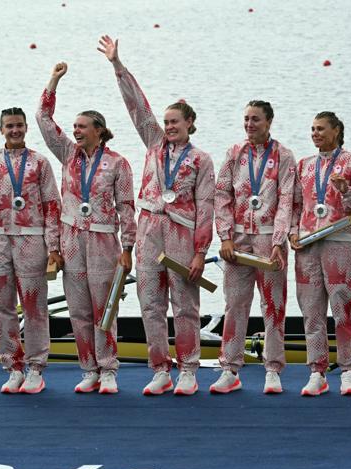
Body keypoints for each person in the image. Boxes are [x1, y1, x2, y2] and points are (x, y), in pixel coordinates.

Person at [100, 35, 215, 396]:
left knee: (184, 304)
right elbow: (138, 107)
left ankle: (189, 370)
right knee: (150, 303)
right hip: (150, 230)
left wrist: (200, 251)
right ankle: (160, 368)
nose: (168, 126)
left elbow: (207, 208)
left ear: (190, 123)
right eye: (166, 121)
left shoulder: (201, 160)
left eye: (175, 121)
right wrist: (118, 65)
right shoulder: (153, 144)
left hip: (182, 233)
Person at [36, 62, 136, 394]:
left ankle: (108, 369)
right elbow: (43, 121)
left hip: (104, 240)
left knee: (104, 306)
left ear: (99, 130)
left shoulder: (118, 163)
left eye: (82, 127)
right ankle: (88, 368)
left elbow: (126, 208)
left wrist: (128, 248)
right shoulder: (68, 154)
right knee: (78, 309)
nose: (75, 131)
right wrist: (53, 81)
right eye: (74, 126)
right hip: (71, 238)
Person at [0, 108, 62, 394]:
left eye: (19, 125)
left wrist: (53, 247)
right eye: (9, 126)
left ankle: (35, 368)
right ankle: (13, 366)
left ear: (26, 127)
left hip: (31, 239)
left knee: (34, 307)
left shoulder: (40, 163)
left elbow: (52, 206)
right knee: (0, 307)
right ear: (1, 129)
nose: (15, 130)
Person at [211, 100, 295, 394]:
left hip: (269, 239)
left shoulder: (284, 156)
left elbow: (286, 200)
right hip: (238, 240)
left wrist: (278, 241)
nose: (249, 124)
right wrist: (224, 237)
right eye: (246, 119)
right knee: (235, 304)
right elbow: (221, 195)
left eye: (255, 119)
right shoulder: (234, 154)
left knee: (273, 306)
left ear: (269, 121)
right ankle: (230, 369)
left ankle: (272, 369)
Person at [289, 111, 351, 397]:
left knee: (343, 309)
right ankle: (317, 371)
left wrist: (345, 190)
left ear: (336, 131)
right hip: (308, 245)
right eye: (312, 129)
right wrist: (291, 233)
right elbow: (294, 206)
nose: (315, 133)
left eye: (321, 129)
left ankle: (347, 370)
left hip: (341, 243)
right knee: (311, 311)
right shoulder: (304, 165)